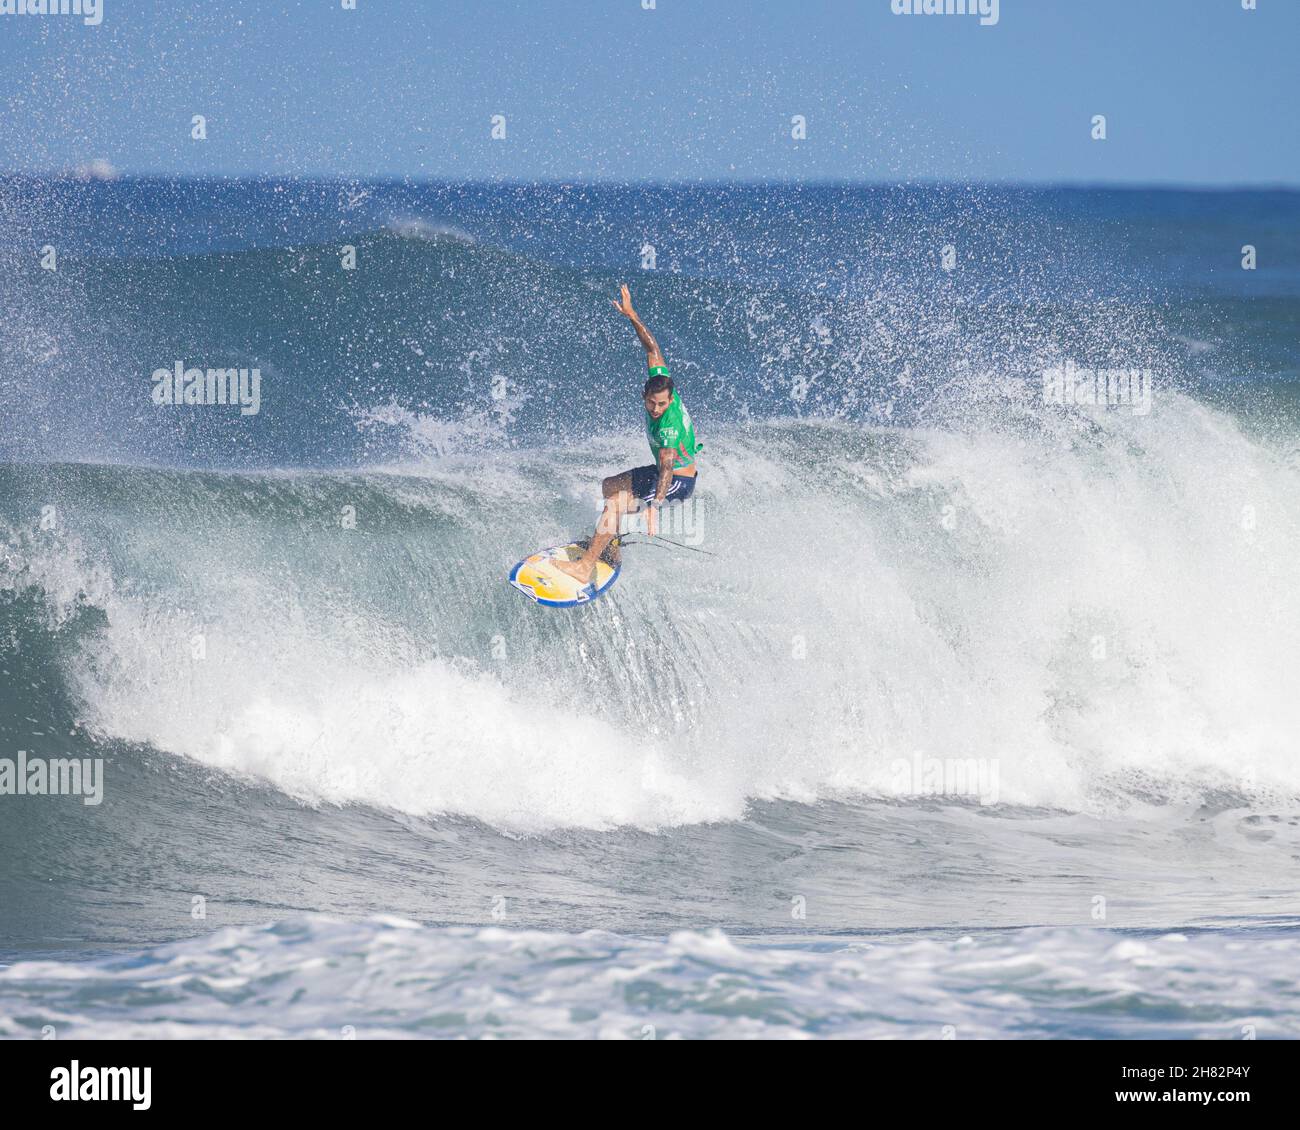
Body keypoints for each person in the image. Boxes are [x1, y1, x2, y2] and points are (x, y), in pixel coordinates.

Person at [552, 284, 701, 586]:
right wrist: (632, 315)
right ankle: (611, 545)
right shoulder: (660, 380)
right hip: (662, 472)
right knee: (610, 487)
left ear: (670, 400)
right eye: (652, 403)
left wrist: (655, 506)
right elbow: (652, 348)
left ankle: (585, 566)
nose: (656, 409)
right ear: (645, 394)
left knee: (615, 504)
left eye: (662, 404)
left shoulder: (667, 427)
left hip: (676, 481)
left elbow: (668, 466)